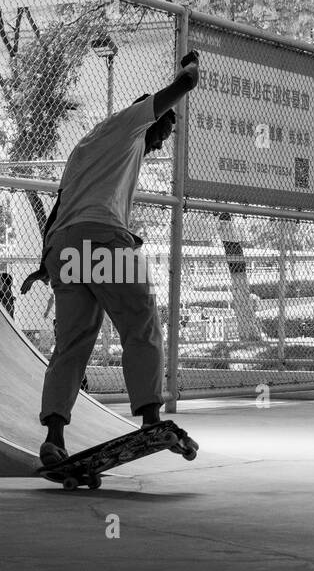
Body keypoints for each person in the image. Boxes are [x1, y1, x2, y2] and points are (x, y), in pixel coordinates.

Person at [21, 49, 201, 466]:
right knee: (140, 324)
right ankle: (150, 419)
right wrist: (189, 67)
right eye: (162, 134)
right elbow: (183, 87)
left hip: (64, 248)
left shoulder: (86, 146)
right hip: (101, 243)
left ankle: (53, 436)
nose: (159, 144)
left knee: (71, 344)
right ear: (149, 117)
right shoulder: (130, 122)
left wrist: (44, 263)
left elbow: (61, 205)